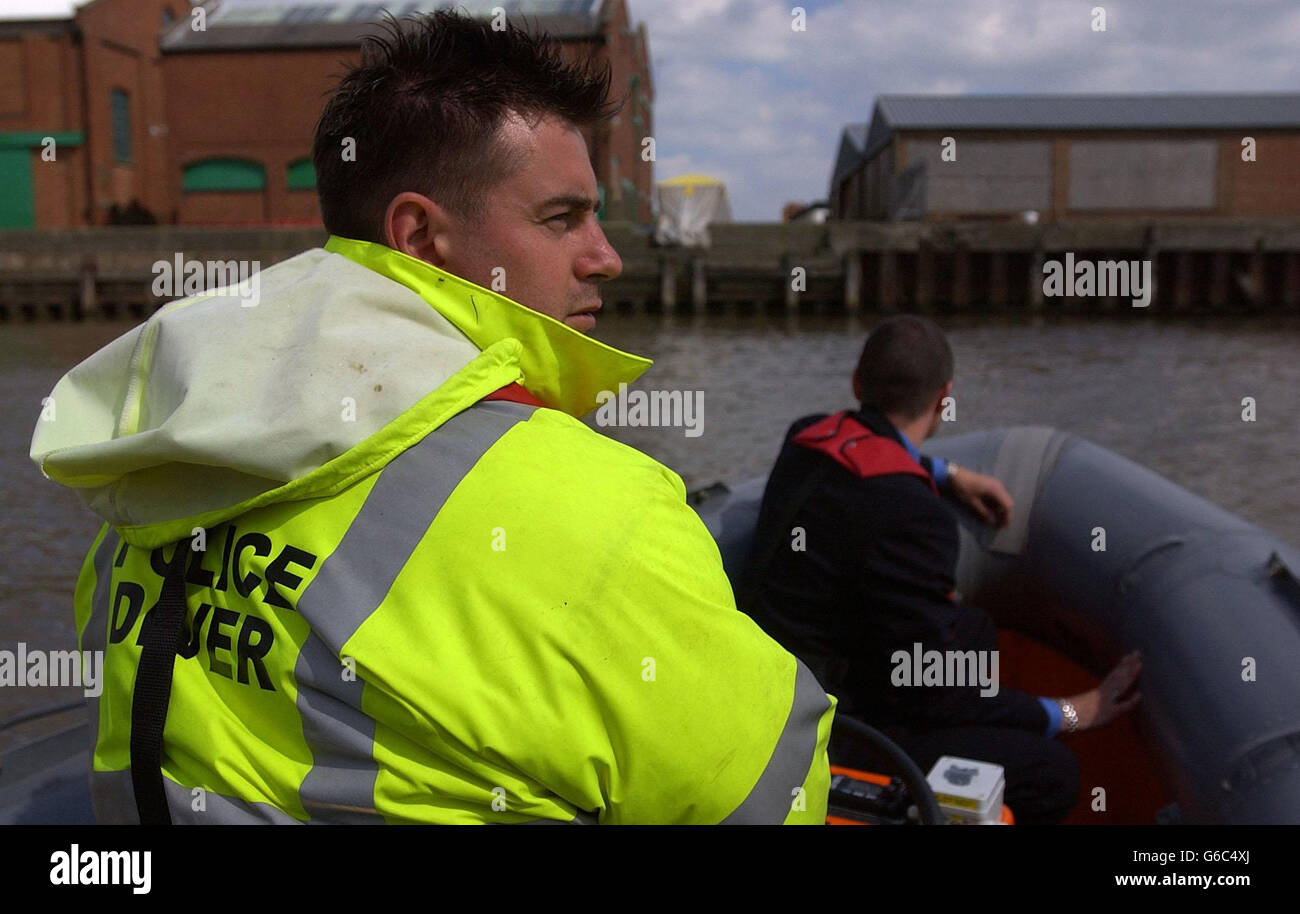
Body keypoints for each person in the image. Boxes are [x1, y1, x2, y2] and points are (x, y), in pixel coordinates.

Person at [29, 11, 833, 825]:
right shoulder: (601, 508)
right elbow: (771, 797)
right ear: (420, 235)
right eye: (562, 218)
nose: (607, 257)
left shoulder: (150, 471)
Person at [739, 314, 1141, 824]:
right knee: (1052, 771)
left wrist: (948, 472)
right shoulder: (916, 516)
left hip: (771, 679)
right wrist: (1068, 712)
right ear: (944, 398)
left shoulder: (805, 438)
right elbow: (932, 692)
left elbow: (866, 449)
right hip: (835, 727)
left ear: (857, 383)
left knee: (974, 632)